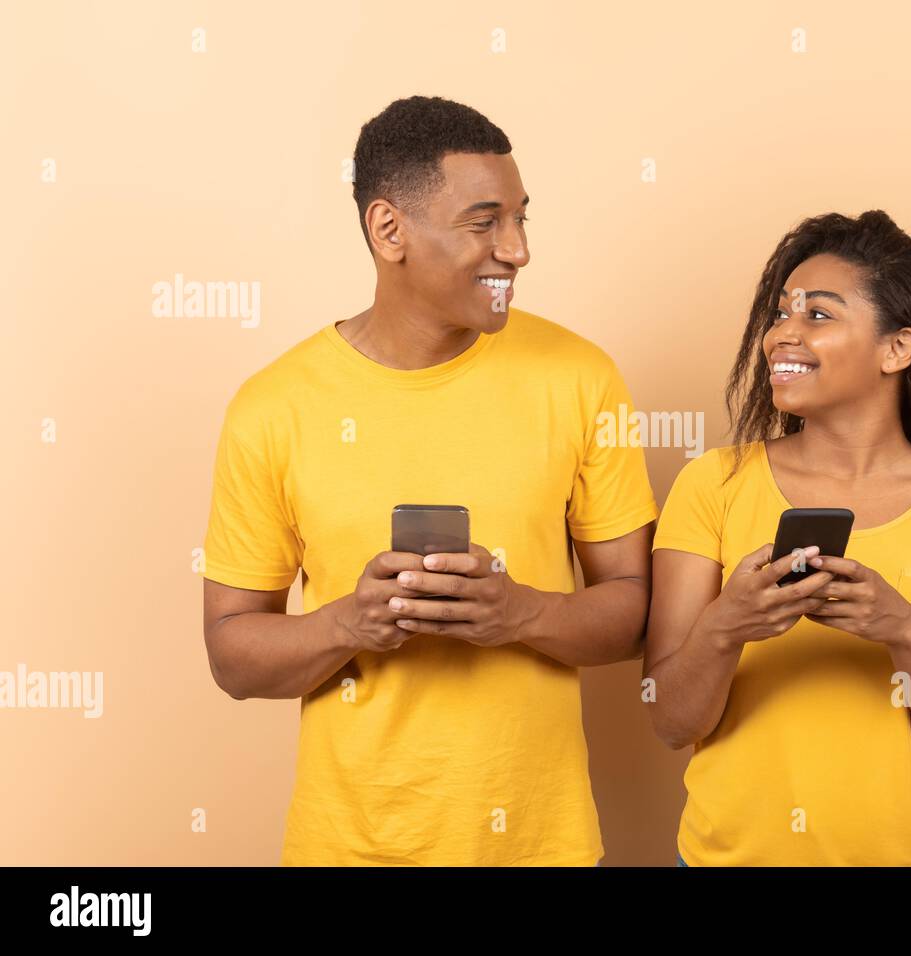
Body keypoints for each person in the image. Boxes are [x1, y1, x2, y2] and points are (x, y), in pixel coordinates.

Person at [201, 95, 658, 866]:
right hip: (349, 848)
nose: (516, 250)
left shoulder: (582, 377)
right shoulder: (272, 407)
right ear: (390, 231)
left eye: (521, 219)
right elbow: (232, 653)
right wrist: (349, 622)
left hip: (541, 847)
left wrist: (515, 612)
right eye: (484, 223)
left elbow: (636, 611)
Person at [645, 210, 911, 866]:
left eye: (818, 316)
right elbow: (668, 720)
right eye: (781, 315)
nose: (782, 336)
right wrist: (726, 626)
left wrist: (902, 629)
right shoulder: (710, 485)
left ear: (897, 349)